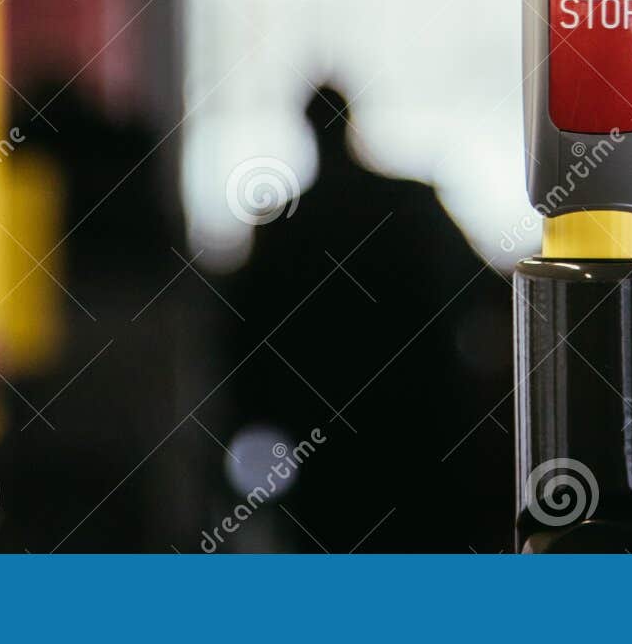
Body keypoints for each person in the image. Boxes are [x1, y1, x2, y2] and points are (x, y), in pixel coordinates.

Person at [215, 85, 511, 552]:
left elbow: (244, 343)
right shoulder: (409, 205)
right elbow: (488, 293)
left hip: (324, 441)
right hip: (421, 428)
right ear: (350, 120)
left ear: (307, 127)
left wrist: (246, 431)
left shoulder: (284, 230)